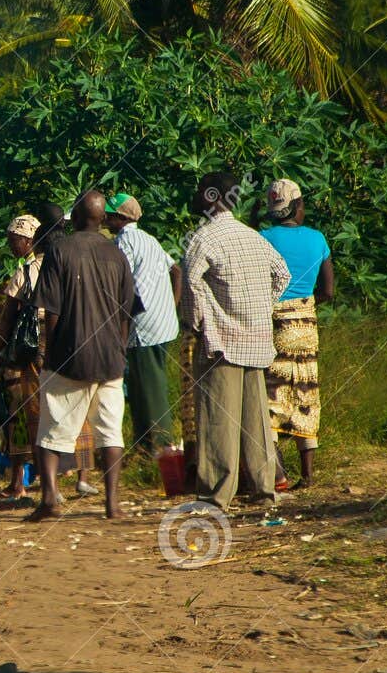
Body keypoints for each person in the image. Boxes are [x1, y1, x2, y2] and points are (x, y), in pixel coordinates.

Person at [178, 172, 291, 509]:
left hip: (221, 341)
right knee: (255, 420)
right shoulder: (253, 237)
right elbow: (282, 273)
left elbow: (191, 285)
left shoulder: (202, 239)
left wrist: (196, 320)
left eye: (201, 191)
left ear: (212, 198)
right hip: (256, 340)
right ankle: (264, 490)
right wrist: (263, 305)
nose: (196, 196)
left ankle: (216, 496)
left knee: (217, 420)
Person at [28, 190, 136, 521]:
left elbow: (52, 310)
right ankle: (112, 504)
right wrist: (119, 350)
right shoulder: (117, 255)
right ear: (103, 219)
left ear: (74, 218)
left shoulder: (59, 249)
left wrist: (49, 352)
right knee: (110, 432)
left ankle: (50, 502)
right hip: (110, 358)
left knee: (51, 430)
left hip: (69, 354)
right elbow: (125, 314)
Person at [260, 178, 333, 489]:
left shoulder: (262, 238)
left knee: (272, 395)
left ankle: (278, 475)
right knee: (306, 393)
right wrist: (306, 304)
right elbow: (328, 290)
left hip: (273, 322)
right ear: (298, 207)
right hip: (306, 325)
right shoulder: (317, 239)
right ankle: (308, 474)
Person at [104, 193, 180, 453]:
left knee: (148, 387)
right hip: (163, 321)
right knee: (146, 382)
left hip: (142, 325)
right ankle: (146, 443)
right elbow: (176, 271)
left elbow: (118, 283)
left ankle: (158, 446)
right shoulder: (149, 239)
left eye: (109, 214)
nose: (105, 218)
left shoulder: (123, 243)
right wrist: (172, 303)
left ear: (121, 218)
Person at [0, 213, 45, 504]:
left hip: (28, 352)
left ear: (30, 240)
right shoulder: (61, 266)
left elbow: (7, 319)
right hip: (57, 349)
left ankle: (17, 483)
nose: (11, 245)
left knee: (21, 413)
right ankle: (73, 478)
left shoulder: (27, 272)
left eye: (15, 240)